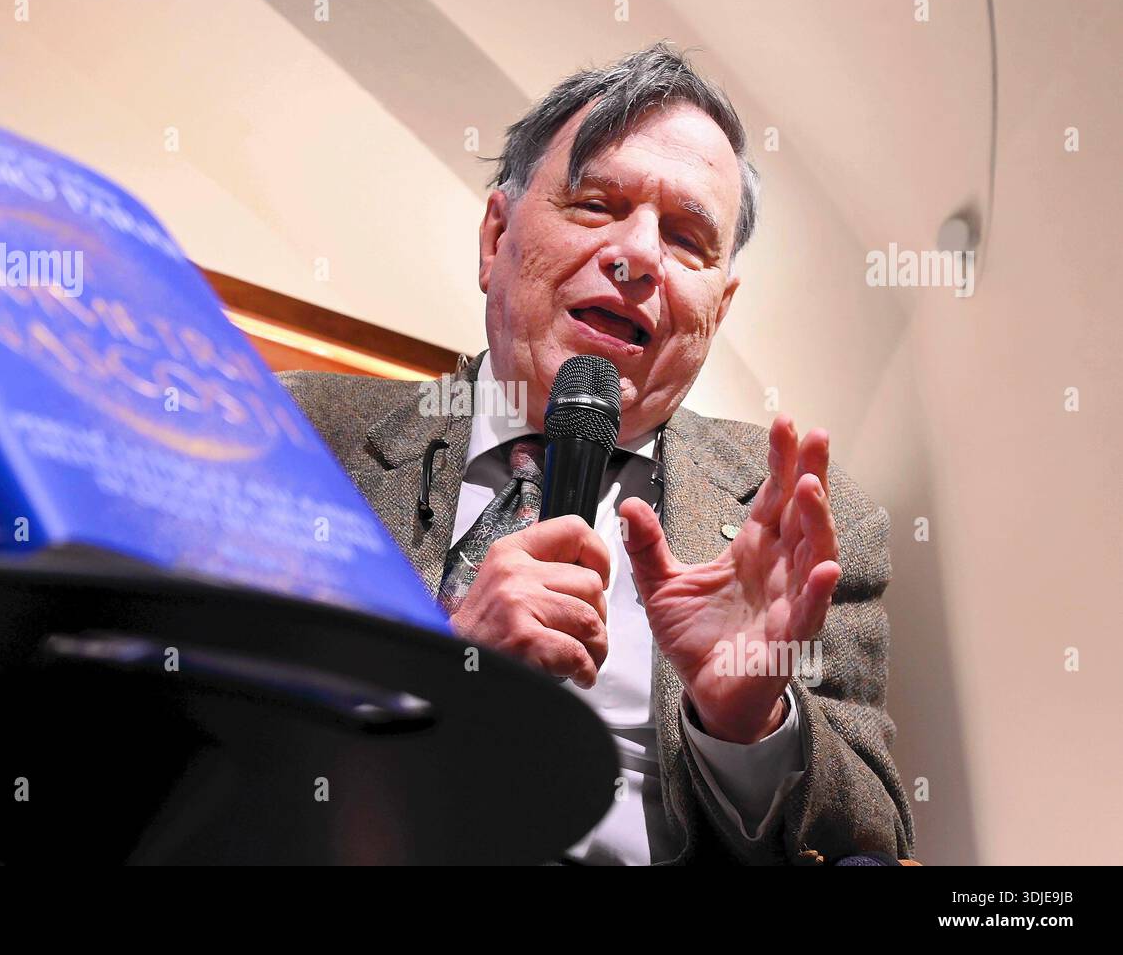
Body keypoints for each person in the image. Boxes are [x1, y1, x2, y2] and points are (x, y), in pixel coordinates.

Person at [279, 42, 914, 865]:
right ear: (496, 237)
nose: (639, 255)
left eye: (687, 238)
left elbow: (876, 837)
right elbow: (181, 742)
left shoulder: (802, 514)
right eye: (596, 205)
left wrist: (750, 724)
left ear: (716, 310)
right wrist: (444, 670)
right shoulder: (292, 432)